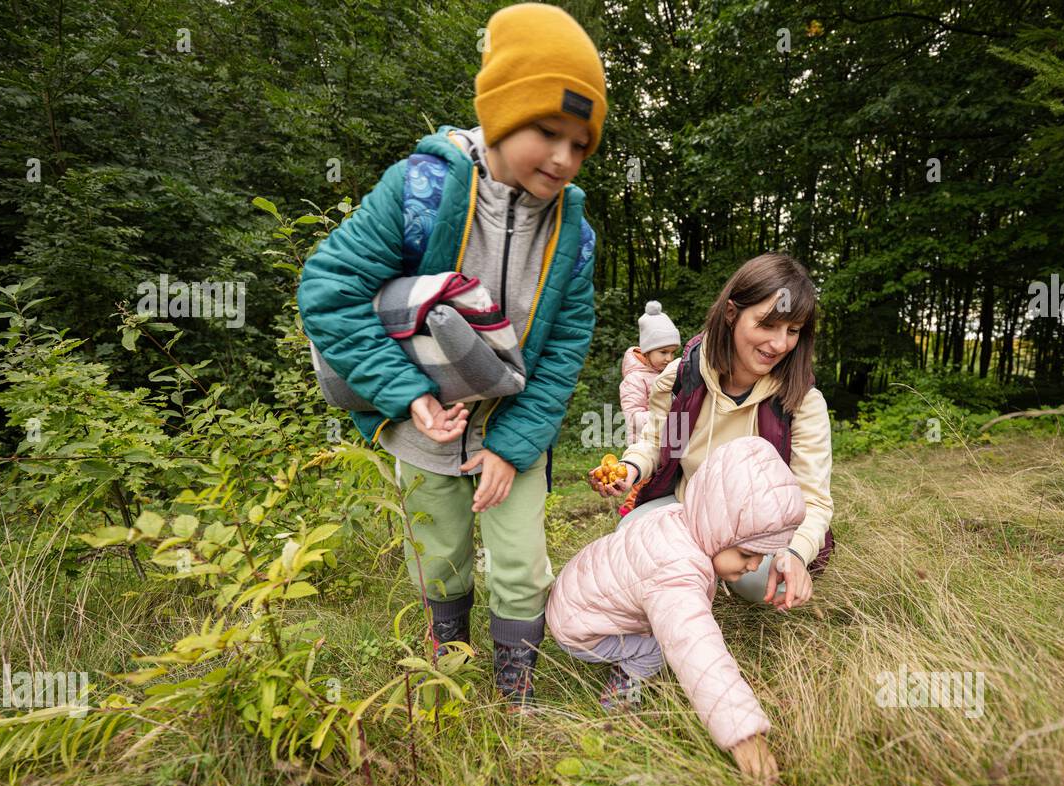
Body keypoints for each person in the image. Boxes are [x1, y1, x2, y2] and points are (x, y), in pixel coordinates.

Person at [298, 2, 606, 703]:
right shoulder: (419, 190)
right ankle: (450, 649)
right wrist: (404, 391)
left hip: (512, 421)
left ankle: (514, 681)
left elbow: (563, 349)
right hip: (418, 416)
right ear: (500, 114)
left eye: (581, 143)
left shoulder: (575, 236)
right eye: (546, 131)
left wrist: (516, 444)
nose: (563, 157)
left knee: (522, 557)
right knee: (440, 550)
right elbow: (327, 290)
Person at [549, 438, 806, 785]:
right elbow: (695, 649)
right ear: (718, 531)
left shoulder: (678, 518)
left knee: (662, 628)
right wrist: (743, 735)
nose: (754, 565)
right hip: (581, 629)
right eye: (747, 554)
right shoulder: (676, 572)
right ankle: (621, 696)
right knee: (659, 648)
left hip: (577, 594)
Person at [590, 252, 835, 609]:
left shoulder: (802, 402)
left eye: (793, 330)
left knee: (772, 588)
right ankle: (696, 574)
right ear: (732, 313)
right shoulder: (681, 376)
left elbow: (812, 498)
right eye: (767, 324)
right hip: (687, 508)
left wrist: (796, 553)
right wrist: (630, 468)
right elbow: (659, 442)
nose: (780, 344)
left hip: (758, 532)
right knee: (629, 541)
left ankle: (719, 569)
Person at [617, 300, 680, 515]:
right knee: (640, 489)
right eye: (663, 352)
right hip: (645, 445)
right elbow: (633, 415)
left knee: (660, 489)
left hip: (668, 444)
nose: (669, 358)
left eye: (672, 352)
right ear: (647, 350)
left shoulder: (669, 374)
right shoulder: (635, 379)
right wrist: (664, 416)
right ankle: (628, 517)